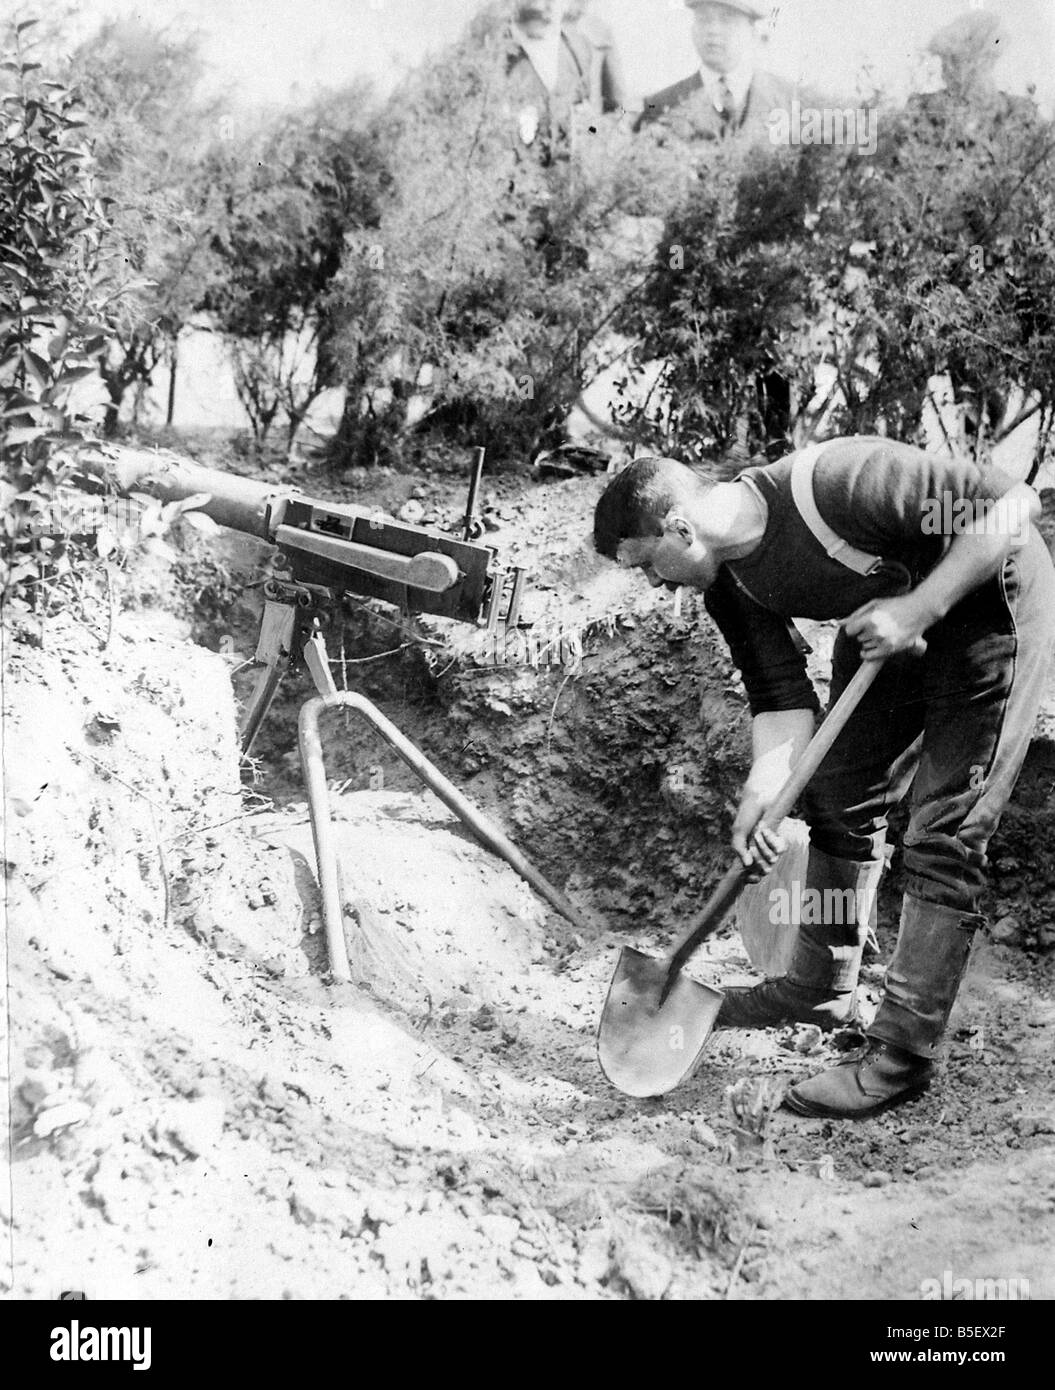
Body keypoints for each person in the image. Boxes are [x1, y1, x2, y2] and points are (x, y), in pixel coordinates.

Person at [592, 437, 1055, 1118]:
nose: (654, 584)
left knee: (943, 830)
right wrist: (762, 792)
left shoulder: (835, 484)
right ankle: (819, 983)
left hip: (989, 605)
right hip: (887, 622)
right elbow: (778, 695)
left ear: (680, 528)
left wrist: (919, 608)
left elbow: (1009, 504)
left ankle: (898, 1058)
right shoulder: (727, 578)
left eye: (646, 565)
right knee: (839, 793)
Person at [637, 0, 796, 143]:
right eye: (704, 19)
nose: (713, 30)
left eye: (727, 20)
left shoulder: (789, 101)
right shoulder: (660, 105)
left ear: (752, 33)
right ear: (692, 30)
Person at [500, 0, 628, 163]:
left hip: (580, 179)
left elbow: (619, 115)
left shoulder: (587, 48)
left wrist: (595, 136)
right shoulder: (488, 58)